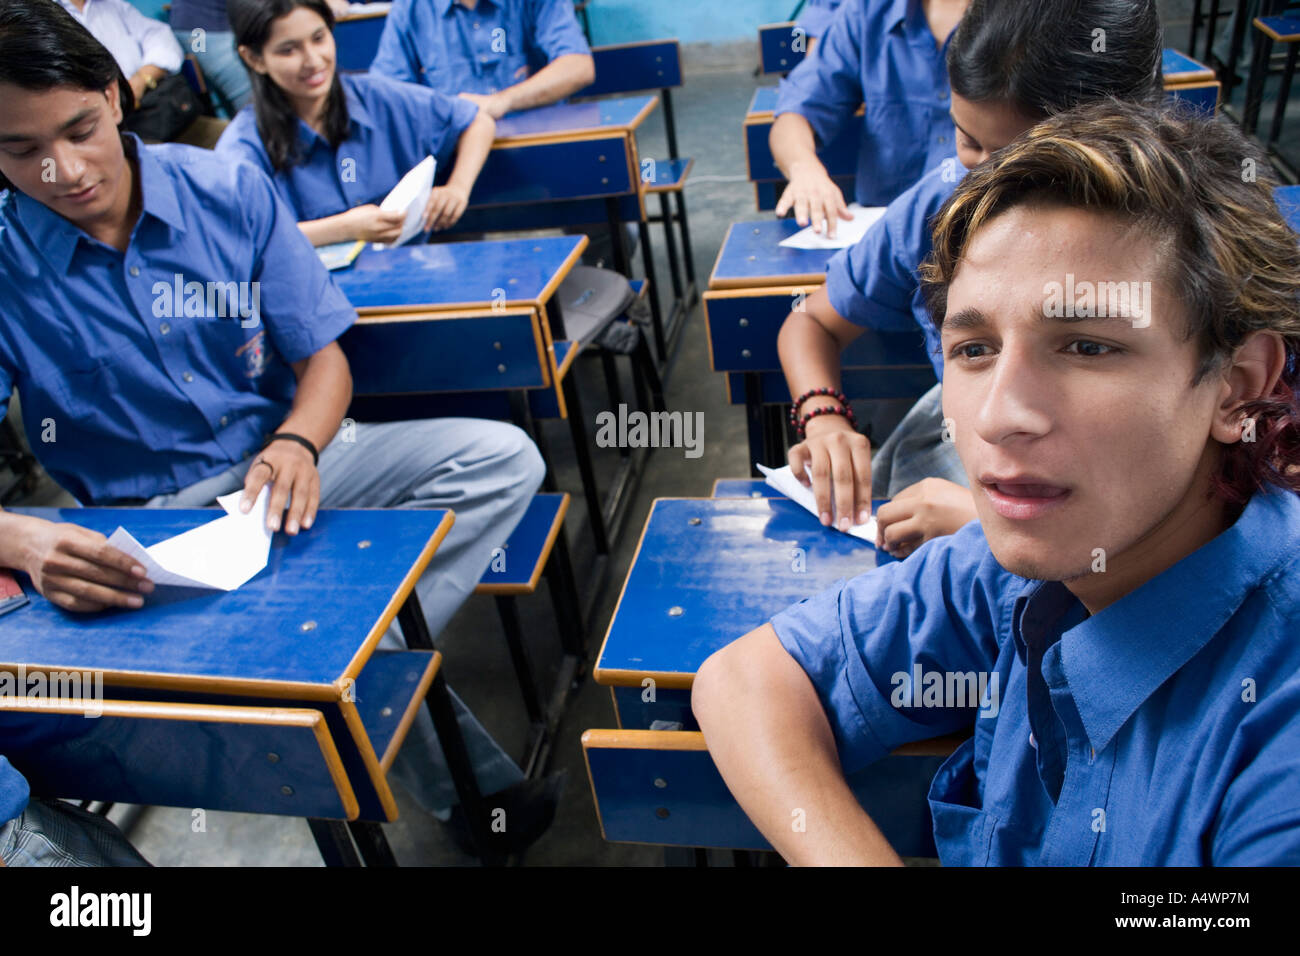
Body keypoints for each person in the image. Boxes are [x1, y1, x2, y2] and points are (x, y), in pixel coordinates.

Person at [0, 0, 556, 855]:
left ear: (115, 95)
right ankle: (365, 691)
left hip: (294, 465)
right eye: (20, 150)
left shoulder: (224, 188)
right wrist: (27, 541)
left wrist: (298, 443)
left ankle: (316, 654)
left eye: (78, 128)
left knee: (501, 457)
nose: (63, 170)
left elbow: (324, 357)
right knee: (328, 656)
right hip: (155, 528)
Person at [694, 97, 1300, 866]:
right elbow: (745, 680)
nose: (999, 417)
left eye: (1086, 345)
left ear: (1238, 386)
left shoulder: (1274, 736)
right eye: (974, 348)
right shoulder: (1021, 565)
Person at [778, 0, 1162, 558]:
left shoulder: (1179, 246)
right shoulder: (942, 202)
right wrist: (824, 416)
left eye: (1085, 347)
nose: (982, 180)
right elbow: (810, 319)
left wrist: (987, 525)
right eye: (967, 140)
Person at [217, 0, 496, 246]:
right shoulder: (242, 148)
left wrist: (457, 187)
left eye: (318, 38)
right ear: (254, 59)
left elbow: (476, 121)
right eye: (288, 51)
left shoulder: (378, 97)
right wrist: (343, 229)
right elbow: (242, 238)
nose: (313, 61)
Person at [771, 0, 969, 232]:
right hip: (885, 230)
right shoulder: (867, 11)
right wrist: (803, 167)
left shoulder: (1013, 20)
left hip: (985, 228)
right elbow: (797, 109)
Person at [369, 0, 594, 119]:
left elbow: (578, 66)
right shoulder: (410, 8)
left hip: (543, 150)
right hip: (455, 162)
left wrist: (502, 101)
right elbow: (383, 95)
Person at [52, 0, 200, 143]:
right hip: (108, 125)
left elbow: (162, 39)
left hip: (156, 106)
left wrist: (141, 80)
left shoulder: (113, 6)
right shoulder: (43, 15)